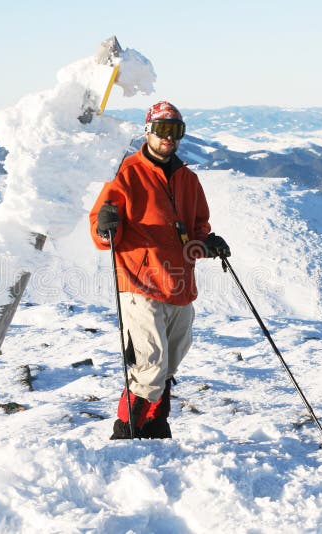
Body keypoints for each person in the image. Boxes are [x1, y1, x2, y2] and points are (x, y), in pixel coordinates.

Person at [89, 101, 231, 439]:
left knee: (169, 364)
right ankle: (127, 432)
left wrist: (207, 244)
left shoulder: (188, 179)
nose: (169, 138)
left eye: (176, 131)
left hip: (180, 285)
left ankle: (155, 427)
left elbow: (197, 227)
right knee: (150, 368)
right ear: (149, 131)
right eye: (163, 130)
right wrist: (104, 226)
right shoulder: (126, 173)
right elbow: (101, 228)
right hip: (140, 283)